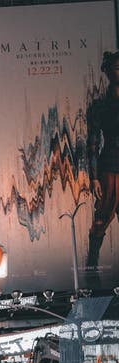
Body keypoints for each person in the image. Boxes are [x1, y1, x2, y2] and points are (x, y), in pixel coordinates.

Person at [85, 50, 119, 280]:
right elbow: (93, 143)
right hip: (110, 166)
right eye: (117, 67)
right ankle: (92, 267)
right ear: (107, 71)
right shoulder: (100, 106)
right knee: (103, 215)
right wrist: (94, 176)